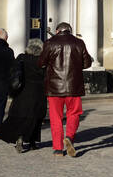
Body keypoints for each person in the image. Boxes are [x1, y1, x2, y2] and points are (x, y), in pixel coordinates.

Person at [39, 21, 92, 158]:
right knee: (74, 113)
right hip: (73, 86)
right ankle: (69, 137)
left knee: (55, 117)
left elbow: (41, 62)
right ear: (70, 30)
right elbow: (86, 63)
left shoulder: (50, 43)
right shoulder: (79, 43)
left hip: (54, 87)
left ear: (57, 31)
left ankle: (57, 148)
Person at [0, 37, 46, 152]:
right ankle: (32, 142)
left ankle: (20, 137)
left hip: (23, 91)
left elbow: (13, 72)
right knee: (36, 118)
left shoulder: (22, 58)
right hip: (38, 92)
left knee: (21, 117)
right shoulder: (42, 60)